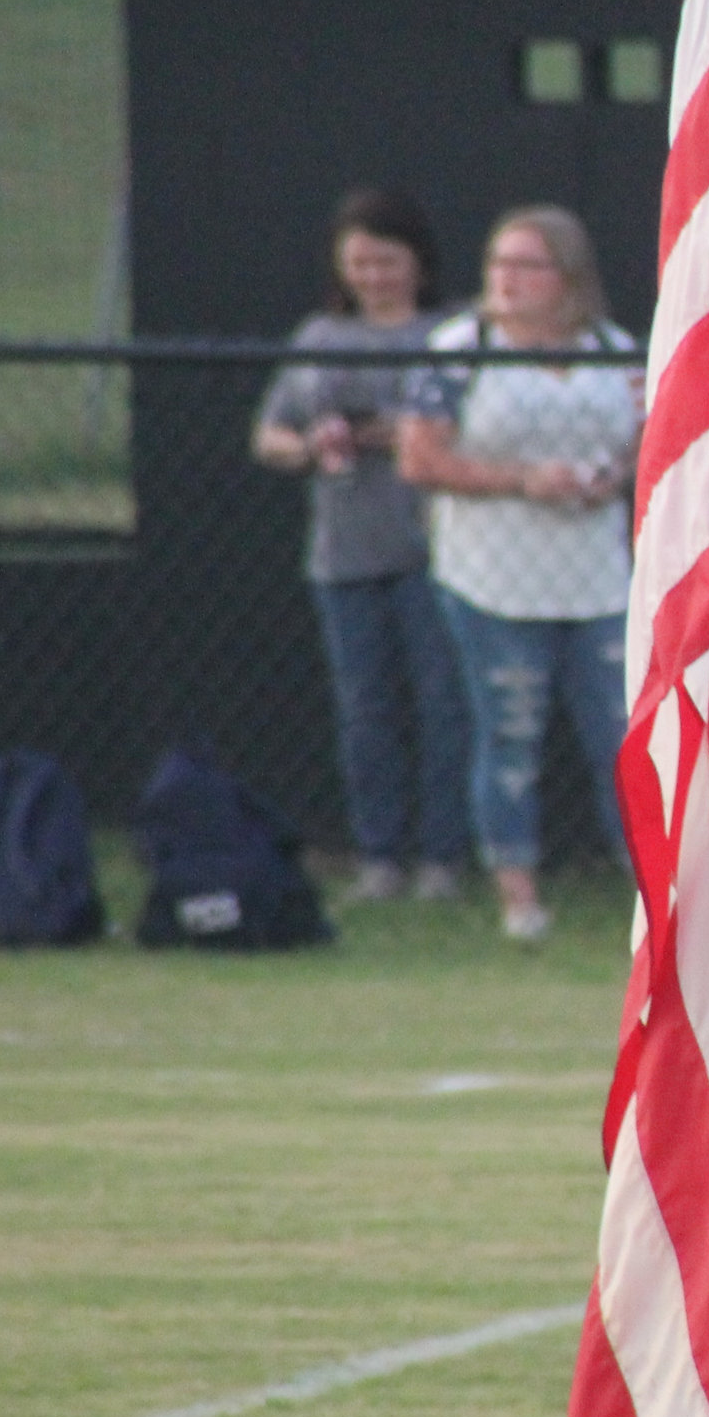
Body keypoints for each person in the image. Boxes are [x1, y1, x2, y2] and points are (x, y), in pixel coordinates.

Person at [398, 208, 639, 941]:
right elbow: (420, 458)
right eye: (498, 262)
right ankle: (518, 898)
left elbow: (646, 436)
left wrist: (608, 475)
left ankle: (653, 896)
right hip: (490, 576)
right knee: (509, 733)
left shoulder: (613, 348)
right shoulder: (459, 348)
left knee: (622, 739)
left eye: (526, 265)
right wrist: (522, 479)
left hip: (598, 576)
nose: (505, 278)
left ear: (566, 277)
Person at [253, 188, 470, 903]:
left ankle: (443, 858)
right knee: (365, 709)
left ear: (417, 261)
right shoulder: (317, 339)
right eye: (360, 262)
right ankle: (379, 855)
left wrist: (403, 436)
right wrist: (315, 444)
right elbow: (270, 435)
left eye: (387, 260)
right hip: (343, 552)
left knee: (443, 703)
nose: (374, 275)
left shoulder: (450, 336)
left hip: (437, 551)